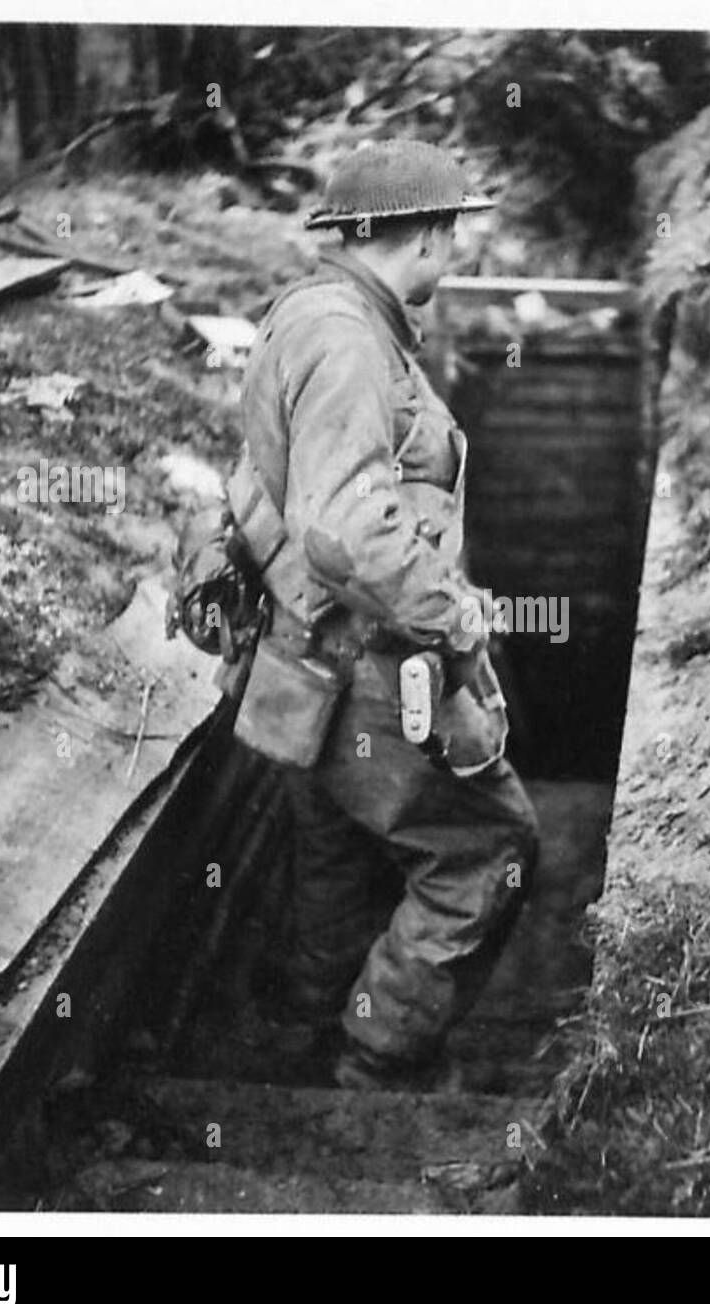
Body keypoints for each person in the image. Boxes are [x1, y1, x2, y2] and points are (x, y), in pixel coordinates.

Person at [223, 139, 539, 1090]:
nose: (458, 248)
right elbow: (346, 524)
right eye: (455, 231)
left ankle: (291, 1056)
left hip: (300, 667)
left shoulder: (317, 317)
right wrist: (457, 619)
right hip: (361, 667)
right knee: (489, 848)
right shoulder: (352, 342)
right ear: (431, 234)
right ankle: (375, 1065)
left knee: (336, 874)